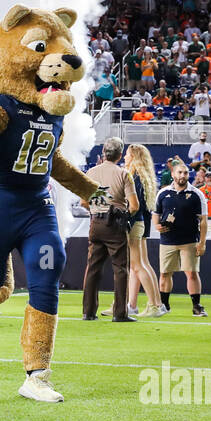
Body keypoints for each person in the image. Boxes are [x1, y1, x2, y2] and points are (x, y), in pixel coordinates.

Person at [81, 138, 137, 322]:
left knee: (92, 268)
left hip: (95, 223)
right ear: (120, 155)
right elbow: (134, 206)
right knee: (120, 268)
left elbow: (83, 202)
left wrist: (97, 210)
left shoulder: (91, 172)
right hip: (115, 224)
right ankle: (119, 313)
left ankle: (88, 312)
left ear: (103, 152)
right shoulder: (123, 174)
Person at [153, 162, 208, 317]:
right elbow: (155, 214)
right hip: (167, 240)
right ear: (173, 174)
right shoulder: (162, 193)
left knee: (191, 273)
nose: (182, 175)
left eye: (185, 172)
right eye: (179, 172)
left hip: (189, 240)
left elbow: (203, 220)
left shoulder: (197, 194)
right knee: (164, 273)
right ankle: (164, 305)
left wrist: (202, 243)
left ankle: (196, 306)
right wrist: (157, 226)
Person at [123, 144, 165, 318]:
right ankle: (133, 305)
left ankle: (155, 305)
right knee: (141, 264)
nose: (125, 158)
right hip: (142, 221)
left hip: (135, 222)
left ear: (133, 157)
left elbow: (135, 205)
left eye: (127, 155)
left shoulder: (135, 176)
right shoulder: (144, 176)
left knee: (138, 265)